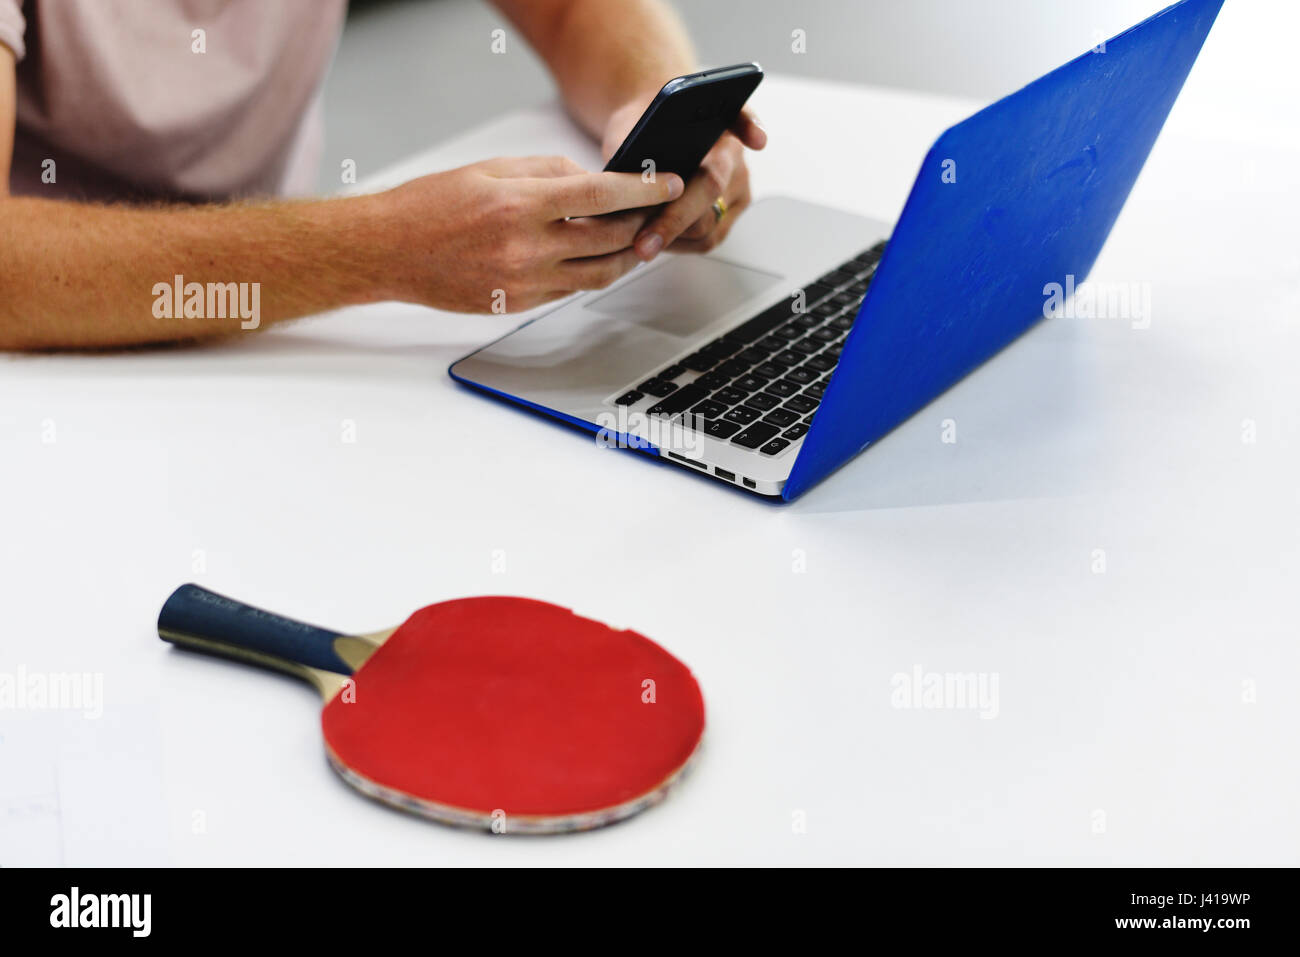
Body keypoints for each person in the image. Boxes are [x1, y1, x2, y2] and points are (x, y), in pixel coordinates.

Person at [0, 0, 765, 350]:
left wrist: (657, 98)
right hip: (49, 364)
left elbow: (569, 10)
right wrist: (380, 250)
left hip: (276, 332)